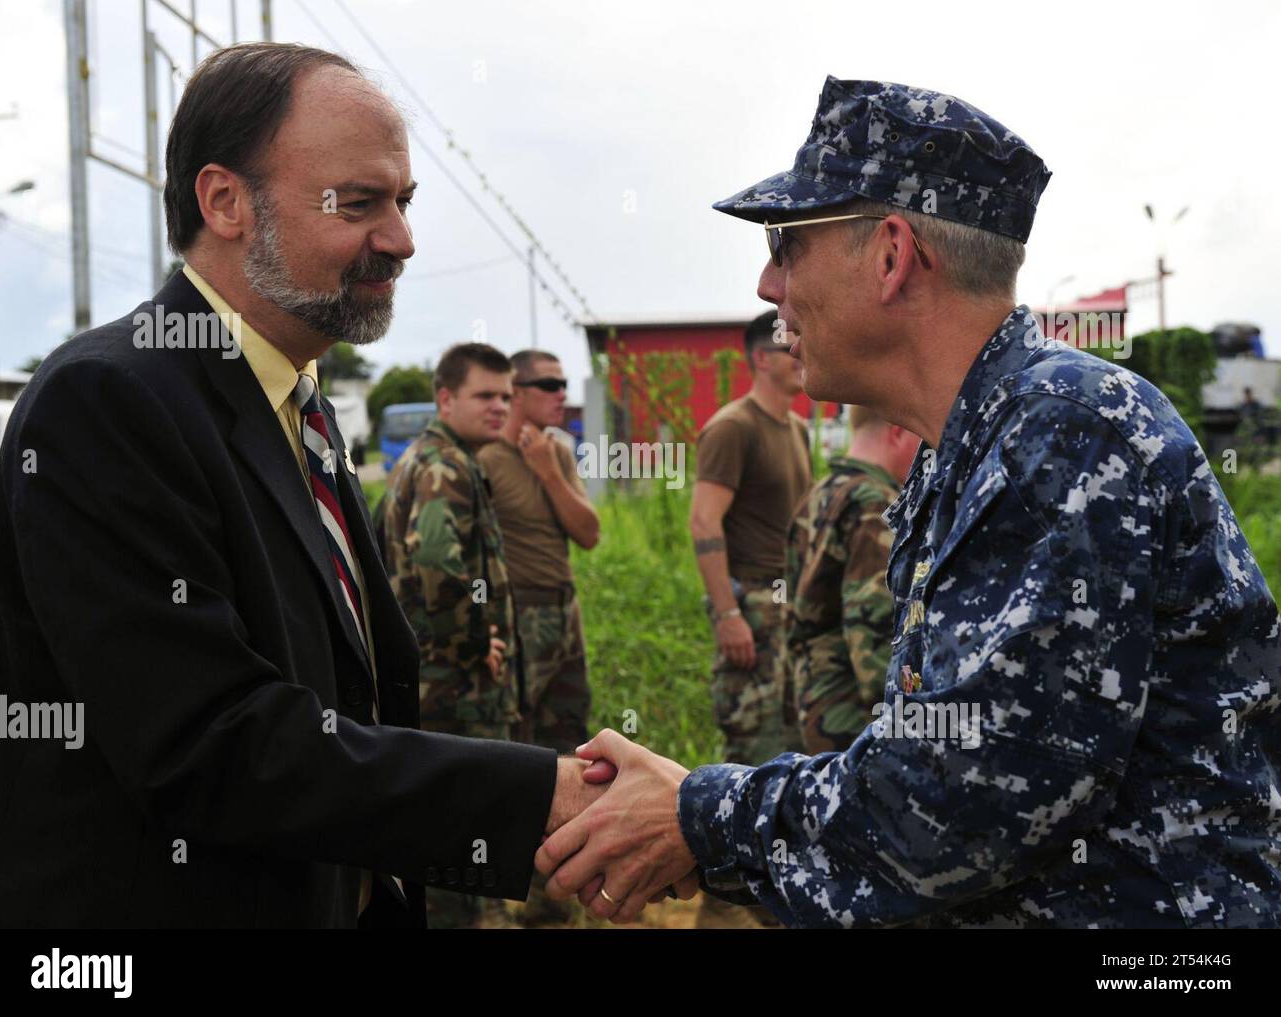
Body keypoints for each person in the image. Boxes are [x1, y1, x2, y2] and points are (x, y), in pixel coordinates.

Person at [536, 77, 1281, 929]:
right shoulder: (968, 445)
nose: (767, 285)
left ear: (891, 256)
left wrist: (697, 814)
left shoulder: (1064, 433)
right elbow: (935, 756)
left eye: (786, 244)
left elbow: (965, 801)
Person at [0, 42, 610, 929]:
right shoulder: (110, 401)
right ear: (226, 201)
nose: (401, 238)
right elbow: (210, 744)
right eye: (359, 203)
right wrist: (538, 792)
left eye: (403, 201)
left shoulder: (293, 403)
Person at [382, 342, 520, 928]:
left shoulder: (440, 457)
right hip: (453, 689)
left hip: (438, 683)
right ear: (446, 397)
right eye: (485, 396)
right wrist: (472, 640)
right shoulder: (446, 465)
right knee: (464, 840)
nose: (500, 408)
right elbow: (437, 561)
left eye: (507, 397)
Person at [477, 349, 600, 925]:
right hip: (519, 617)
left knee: (572, 743)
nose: (559, 393)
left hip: (563, 612)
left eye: (562, 382)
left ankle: (561, 890)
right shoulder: (487, 459)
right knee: (521, 752)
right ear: (516, 392)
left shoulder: (554, 452)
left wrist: (551, 472)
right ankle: (515, 890)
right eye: (547, 384)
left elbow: (589, 532)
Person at [690, 309, 812, 768]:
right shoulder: (733, 428)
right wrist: (728, 614)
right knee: (753, 752)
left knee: (795, 746)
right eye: (790, 346)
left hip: (791, 607)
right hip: (752, 608)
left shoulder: (797, 429)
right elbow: (704, 522)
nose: (802, 352)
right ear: (762, 359)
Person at [783, 405, 920, 754]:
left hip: (816, 704)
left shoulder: (821, 494)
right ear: (897, 430)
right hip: (857, 722)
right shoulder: (875, 504)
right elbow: (874, 631)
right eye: (921, 440)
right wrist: (910, 717)